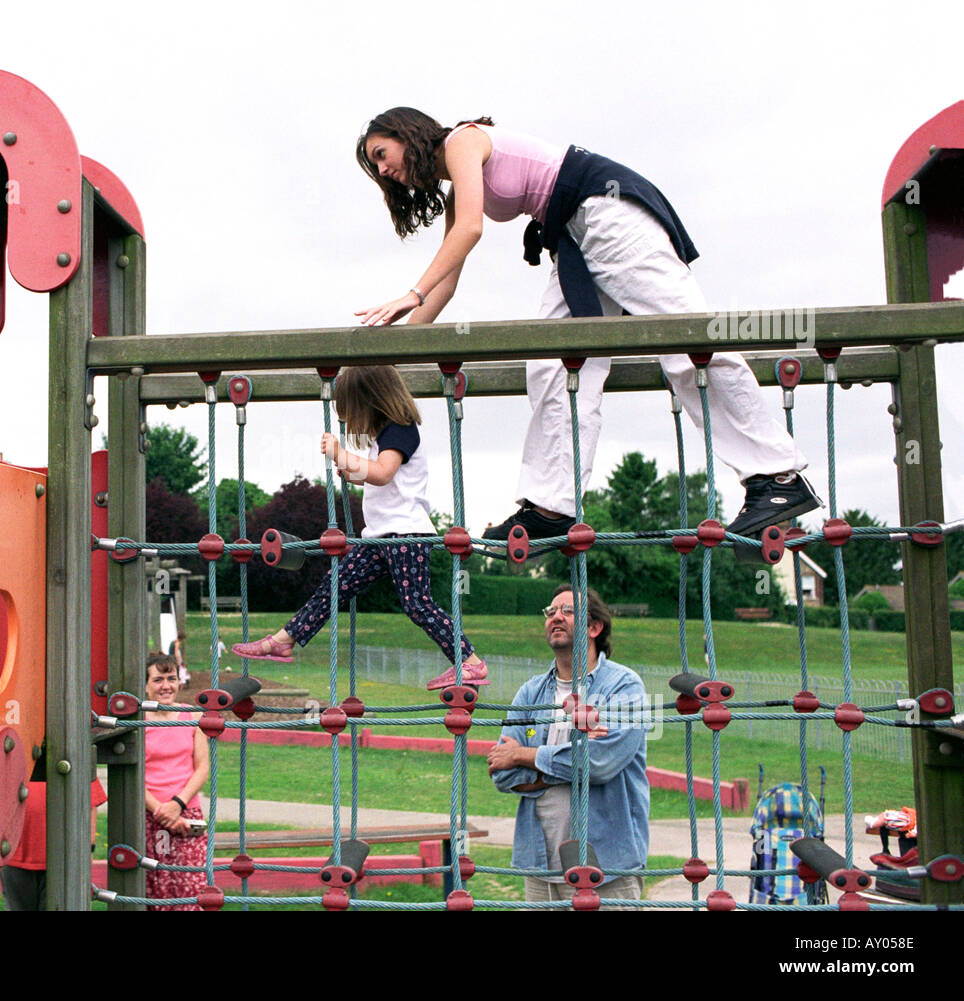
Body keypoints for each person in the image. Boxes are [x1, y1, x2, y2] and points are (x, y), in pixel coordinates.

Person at [354, 108, 820, 552]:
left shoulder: (462, 140)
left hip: (606, 210)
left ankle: (777, 477)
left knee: (688, 344)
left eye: (381, 154)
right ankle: (551, 507)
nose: (384, 170)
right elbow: (450, 279)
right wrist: (398, 347)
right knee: (554, 363)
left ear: (406, 131)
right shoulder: (457, 187)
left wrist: (410, 294)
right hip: (572, 236)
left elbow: (470, 231)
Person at [231, 365, 487, 690]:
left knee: (416, 602)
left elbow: (382, 473)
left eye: (354, 408)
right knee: (333, 587)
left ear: (372, 401)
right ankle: (284, 640)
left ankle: (470, 662)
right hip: (380, 538)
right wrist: (349, 469)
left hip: (406, 534)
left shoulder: (400, 428)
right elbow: (376, 476)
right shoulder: (384, 434)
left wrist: (342, 453)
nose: (354, 418)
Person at [487, 584, 649, 904]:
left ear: (594, 627)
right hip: (539, 866)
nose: (555, 617)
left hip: (606, 866)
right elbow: (501, 773)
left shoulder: (624, 686)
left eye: (568, 611)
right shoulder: (530, 694)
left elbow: (599, 765)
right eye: (550, 611)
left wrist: (523, 756)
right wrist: (567, 762)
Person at [143, 652, 210, 909]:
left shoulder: (192, 717)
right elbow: (134, 775)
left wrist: (177, 805)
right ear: (146, 685)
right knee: (156, 888)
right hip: (151, 815)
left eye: (171, 678)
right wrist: (161, 811)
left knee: (191, 887)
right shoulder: (137, 721)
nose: (166, 686)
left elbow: (202, 767)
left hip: (185, 813)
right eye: (158, 679)